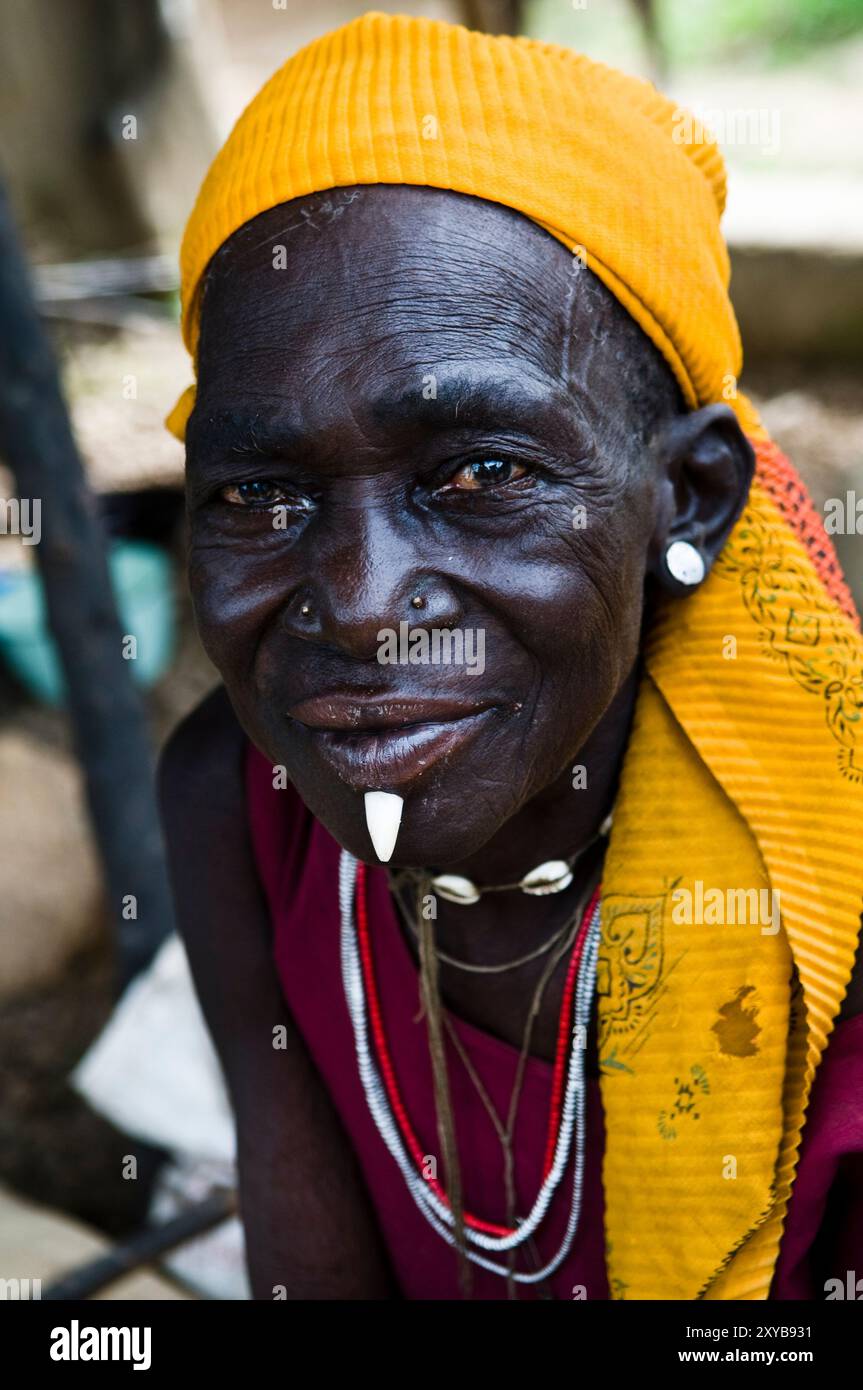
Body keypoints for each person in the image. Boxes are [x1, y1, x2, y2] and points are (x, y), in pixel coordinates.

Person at [159, 12, 863, 1300]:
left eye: (482, 472)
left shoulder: (840, 889)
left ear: (688, 500)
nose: (363, 608)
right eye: (261, 496)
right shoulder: (236, 803)